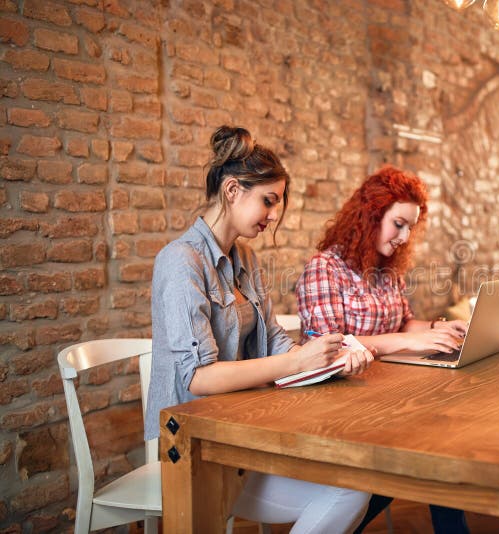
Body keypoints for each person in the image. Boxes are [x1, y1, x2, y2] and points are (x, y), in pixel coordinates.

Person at [145, 126, 372, 533]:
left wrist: (327, 360)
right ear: (232, 190)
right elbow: (198, 378)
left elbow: (275, 340)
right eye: (268, 201)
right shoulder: (180, 262)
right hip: (189, 448)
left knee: (354, 481)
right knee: (348, 488)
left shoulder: (245, 257)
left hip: (239, 431)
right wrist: (294, 362)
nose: (273, 215)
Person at [295, 165, 470, 534]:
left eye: (411, 227)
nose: (405, 237)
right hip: (340, 407)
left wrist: (438, 328)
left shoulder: (385, 269)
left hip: (384, 395)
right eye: (399, 224)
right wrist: (406, 341)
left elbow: (404, 322)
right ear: (372, 216)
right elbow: (330, 350)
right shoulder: (324, 269)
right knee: (429, 456)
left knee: (437, 449)